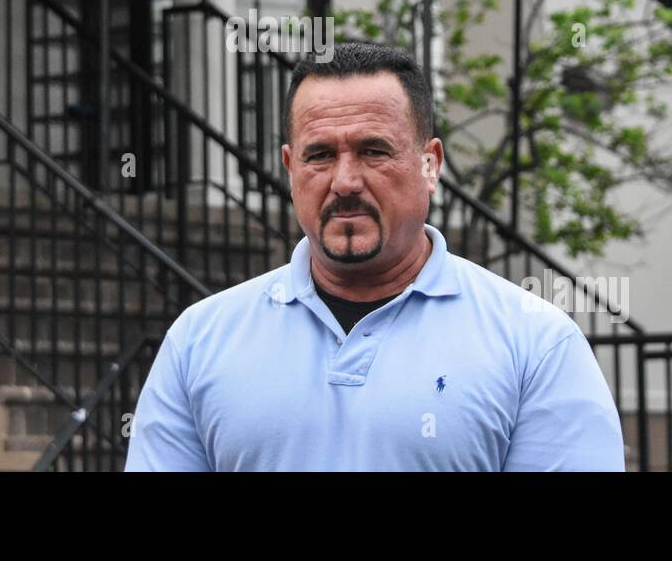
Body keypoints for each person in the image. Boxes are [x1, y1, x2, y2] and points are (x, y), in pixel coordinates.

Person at [125, 41, 625, 471]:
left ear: (430, 165)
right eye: (319, 155)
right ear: (288, 168)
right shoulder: (200, 340)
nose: (345, 181)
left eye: (373, 151)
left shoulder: (535, 344)